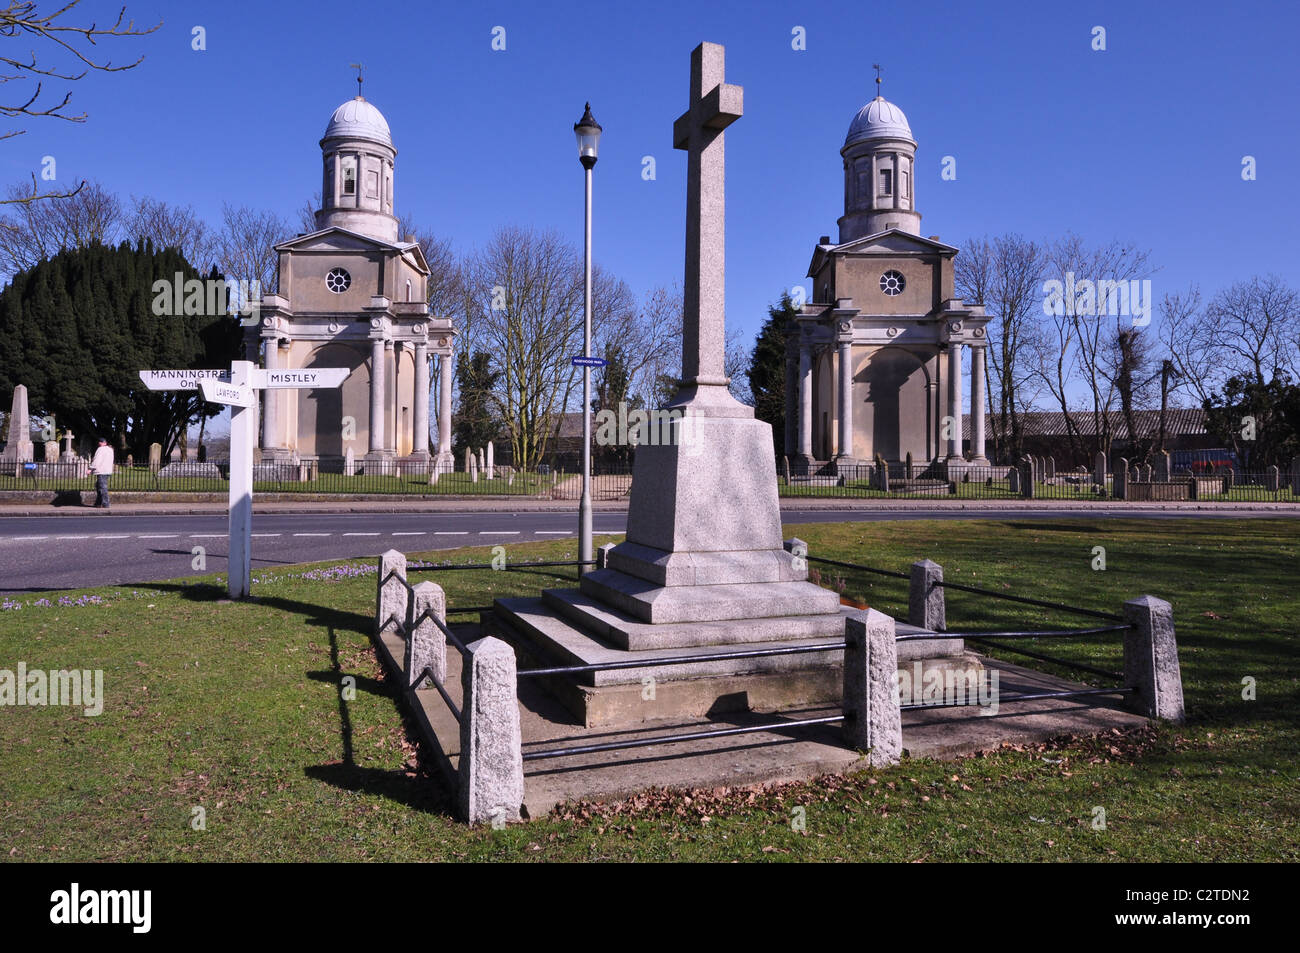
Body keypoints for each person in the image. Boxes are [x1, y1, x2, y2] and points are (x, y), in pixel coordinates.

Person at [90, 437, 115, 509]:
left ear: (100, 443)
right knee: (98, 486)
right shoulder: (110, 450)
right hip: (108, 470)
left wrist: (90, 468)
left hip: (101, 470)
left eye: (99, 443)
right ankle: (98, 503)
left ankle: (106, 503)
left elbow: (97, 459)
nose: (98, 444)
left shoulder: (100, 449)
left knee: (102, 487)